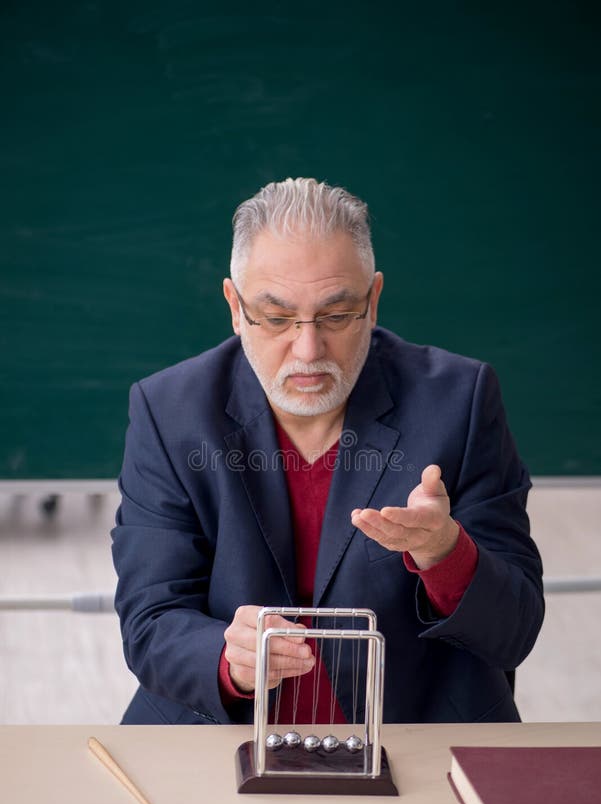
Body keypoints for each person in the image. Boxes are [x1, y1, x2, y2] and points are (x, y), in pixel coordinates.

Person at [111, 177, 544, 726]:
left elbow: (516, 629)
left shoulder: (461, 400)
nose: (309, 349)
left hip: (415, 732)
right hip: (216, 735)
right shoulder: (168, 409)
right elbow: (150, 621)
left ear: (374, 299)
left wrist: (446, 553)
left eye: (337, 316)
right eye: (276, 317)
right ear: (235, 307)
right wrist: (229, 661)